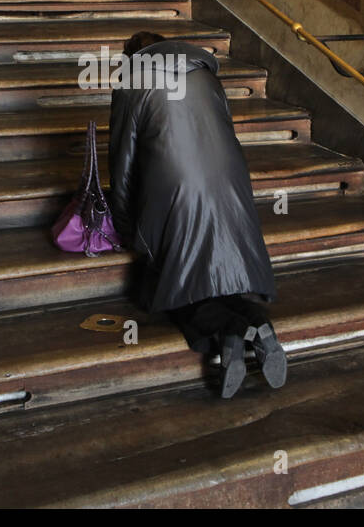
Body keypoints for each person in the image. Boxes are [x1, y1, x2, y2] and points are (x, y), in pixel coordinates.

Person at [108, 31, 286, 399]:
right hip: (230, 185)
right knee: (216, 278)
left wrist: (124, 226)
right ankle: (257, 323)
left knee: (176, 290)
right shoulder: (207, 76)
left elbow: (122, 163)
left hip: (175, 191)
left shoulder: (133, 80)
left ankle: (229, 335)